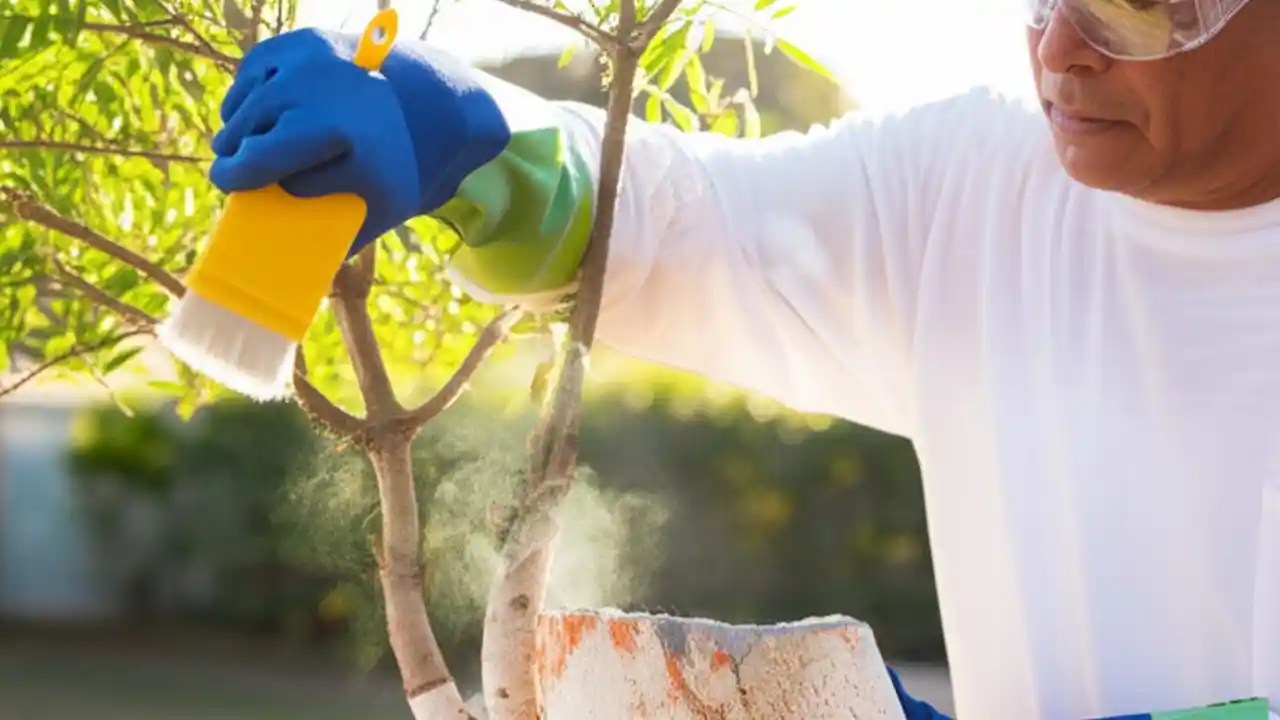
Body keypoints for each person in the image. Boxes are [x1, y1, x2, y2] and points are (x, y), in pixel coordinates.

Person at [207, 0, 1280, 717]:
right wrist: (478, 142)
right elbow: (699, 223)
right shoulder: (981, 185)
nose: (1059, 50)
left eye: (1137, 8)